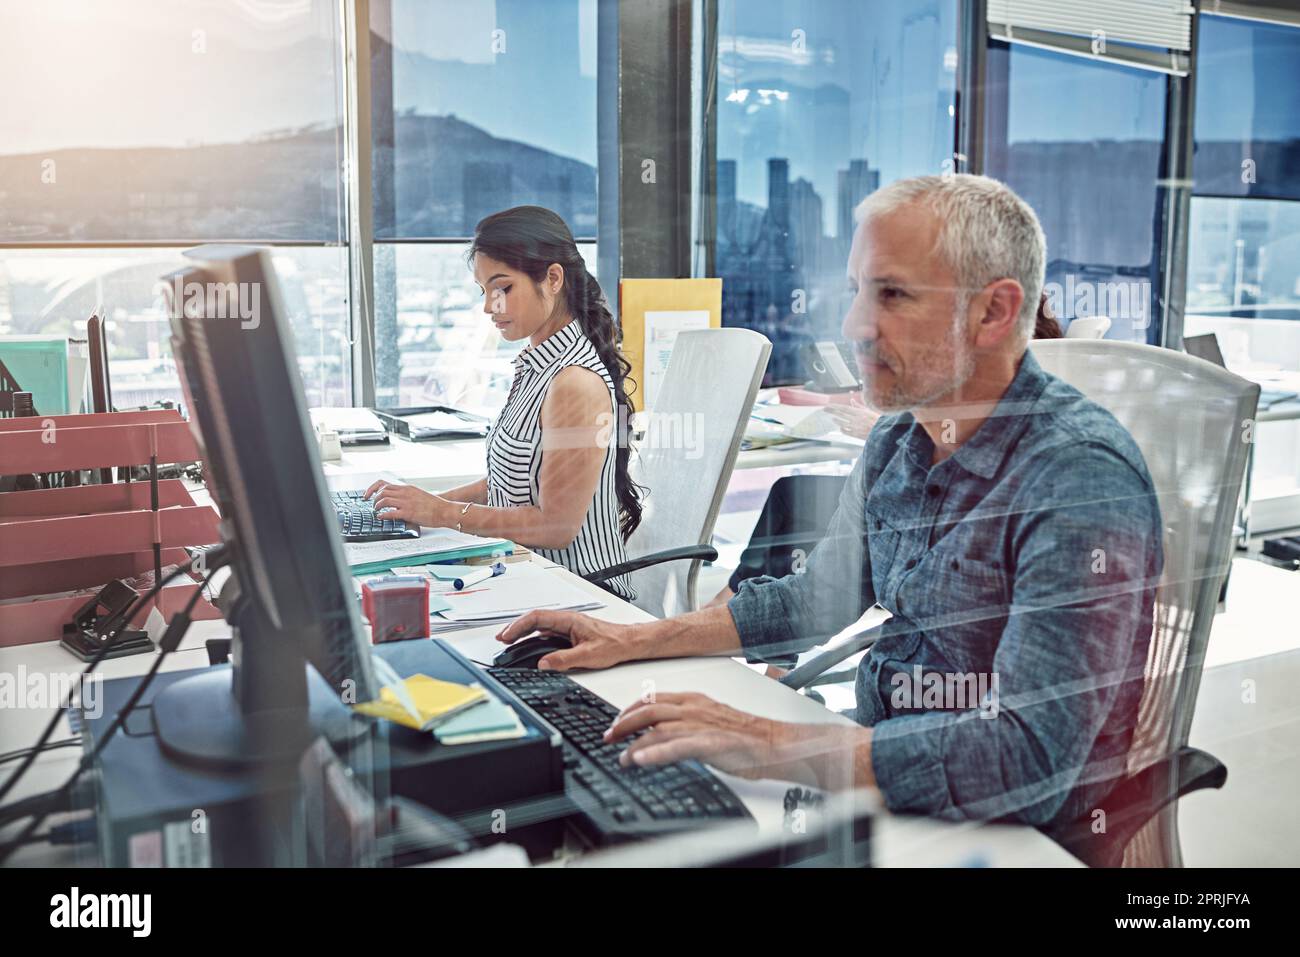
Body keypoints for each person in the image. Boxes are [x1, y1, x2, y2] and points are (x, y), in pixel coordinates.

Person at [496, 175, 1164, 829]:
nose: (853, 325)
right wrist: (633, 638)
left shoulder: (1077, 477)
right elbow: (818, 600)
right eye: (856, 292)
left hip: (1003, 832)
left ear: (993, 312)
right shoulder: (903, 436)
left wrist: (771, 744)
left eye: (893, 294)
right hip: (881, 778)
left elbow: (1027, 759)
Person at [706, 288, 1067, 614]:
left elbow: (975, 452)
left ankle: (739, 610)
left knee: (796, 504)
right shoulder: (1042, 366)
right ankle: (743, 610)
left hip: (938, 511)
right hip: (932, 502)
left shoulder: (1002, 372)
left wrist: (879, 429)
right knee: (792, 497)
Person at [367, 206, 642, 599]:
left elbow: (555, 527)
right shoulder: (536, 367)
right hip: (529, 577)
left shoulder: (575, 383)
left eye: (503, 288)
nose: (488, 306)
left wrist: (440, 513)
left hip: (582, 596)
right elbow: (508, 485)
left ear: (552, 279)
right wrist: (416, 508)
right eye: (484, 291)